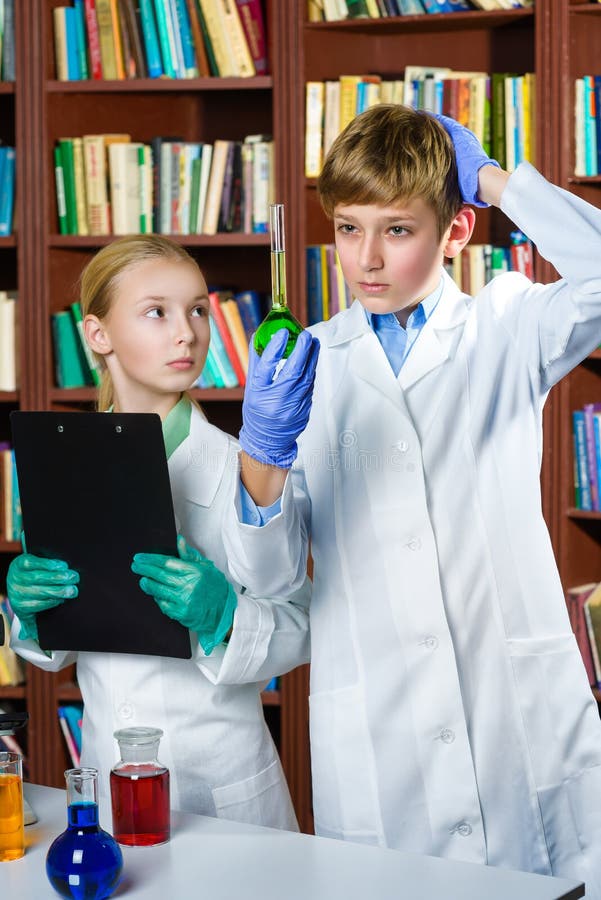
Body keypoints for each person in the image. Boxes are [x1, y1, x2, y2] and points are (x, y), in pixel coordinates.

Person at [222, 104, 601, 892]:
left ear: (456, 232)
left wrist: (496, 179)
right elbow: (269, 578)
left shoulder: (505, 323)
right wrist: (261, 455)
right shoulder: (308, 359)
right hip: (381, 737)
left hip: (515, 714)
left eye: (396, 230)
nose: (365, 259)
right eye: (348, 228)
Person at [7, 234, 310, 829]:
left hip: (220, 791)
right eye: (157, 312)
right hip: (104, 778)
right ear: (98, 335)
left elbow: (299, 624)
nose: (189, 332)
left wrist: (223, 616)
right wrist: (31, 609)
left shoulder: (249, 465)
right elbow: (56, 649)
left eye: (198, 309)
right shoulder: (64, 465)